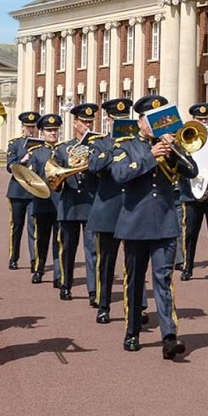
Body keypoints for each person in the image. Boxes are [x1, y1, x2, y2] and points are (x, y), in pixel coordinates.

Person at [108, 94, 193, 359]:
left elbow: (191, 171)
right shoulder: (127, 146)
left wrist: (176, 149)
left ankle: (169, 335)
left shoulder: (170, 145)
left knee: (163, 281)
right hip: (135, 224)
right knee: (135, 282)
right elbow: (120, 175)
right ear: (141, 121)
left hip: (165, 223)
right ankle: (132, 331)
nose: (154, 124)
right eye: (149, 119)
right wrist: (151, 156)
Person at [86, 97, 134, 322]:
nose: (121, 123)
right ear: (108, 120)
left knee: (135, 261)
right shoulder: (100, 142)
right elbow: (94, 166)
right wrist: (115, 145)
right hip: (108, 209)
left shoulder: (137, 143)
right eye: (116, 119)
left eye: (124, 120)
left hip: (133, 208)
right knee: (106, 261)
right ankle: (104, 304)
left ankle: (138, 304)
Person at [51, 103, 103, 301]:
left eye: (90, 122)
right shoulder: (63, 149)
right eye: (84, 122)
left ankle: (93, 290)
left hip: (91, 203)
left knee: (93, 249)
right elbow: (53, 176)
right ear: (75, 123)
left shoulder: (98, 146)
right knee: (67, 247)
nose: (87, 125)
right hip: (69, 203)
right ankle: (65, 284)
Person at [177, 102, 208, 283]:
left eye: (206, 119)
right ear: (193, 120)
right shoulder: (184, 137)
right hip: (191, 193)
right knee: (190, 232)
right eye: (200, 119)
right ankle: (187, 266)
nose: (204, 122)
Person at [26, 114, 62, 280]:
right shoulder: (36, 153)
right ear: (42, 132)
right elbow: (30, 177)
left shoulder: (64, 150)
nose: (52, 133)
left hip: (61, 201)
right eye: (49, 130)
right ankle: (39, 269)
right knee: (41, 239)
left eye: (55, 130)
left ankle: (58, 273)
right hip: (42, 202)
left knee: (59, 240)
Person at [4, 110, 41, 270]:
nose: (30, 130)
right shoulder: (15, 143)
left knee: (34, 228)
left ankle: (35, 260)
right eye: (28, 127)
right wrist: (22, 160)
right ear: (22, 127)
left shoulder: (41, 144)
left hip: (34, 190)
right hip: (17, 190)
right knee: (16, 226)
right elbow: (9, 166)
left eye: (33, 127)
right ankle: (13, 257)